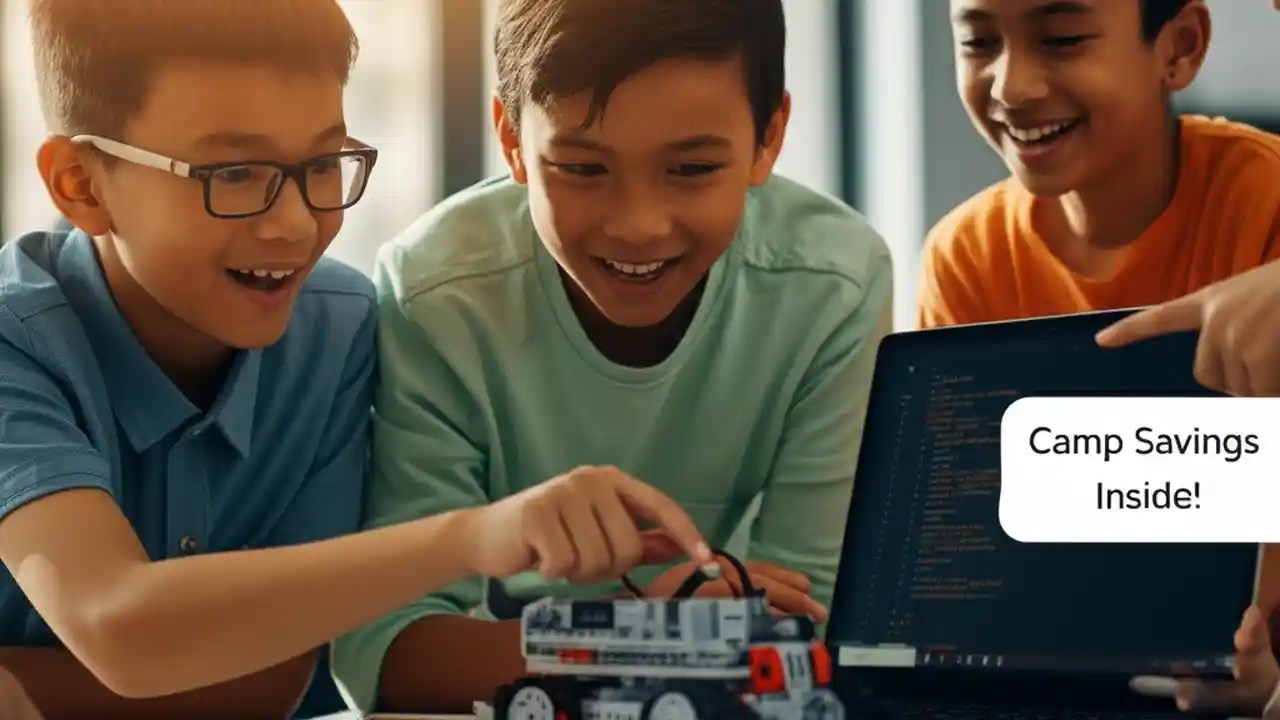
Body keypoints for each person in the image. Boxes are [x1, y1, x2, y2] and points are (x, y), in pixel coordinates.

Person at [0, 2, 713, 718]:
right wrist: (471, 536)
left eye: (321, 164)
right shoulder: (15, 340)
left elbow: (275, 676)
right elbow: (122, 629)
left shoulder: (333, 326)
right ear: (81, 184)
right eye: (235, 173)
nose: (296, 224)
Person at [329, 0, 894, 713]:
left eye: (691, 168)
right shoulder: (436, 292)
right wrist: (643, 638)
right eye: (580, 168)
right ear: (510, 139)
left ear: (768, 137)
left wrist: (620, 645)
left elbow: (813, 631)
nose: (637, 227)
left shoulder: (833, 284)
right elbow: (386, 653)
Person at [917, 0, 1280, 329]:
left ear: (1179, 48)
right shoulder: (969, 257)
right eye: (978, 42)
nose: (1011, 90)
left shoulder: (1266, 205)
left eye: (1062, 39)